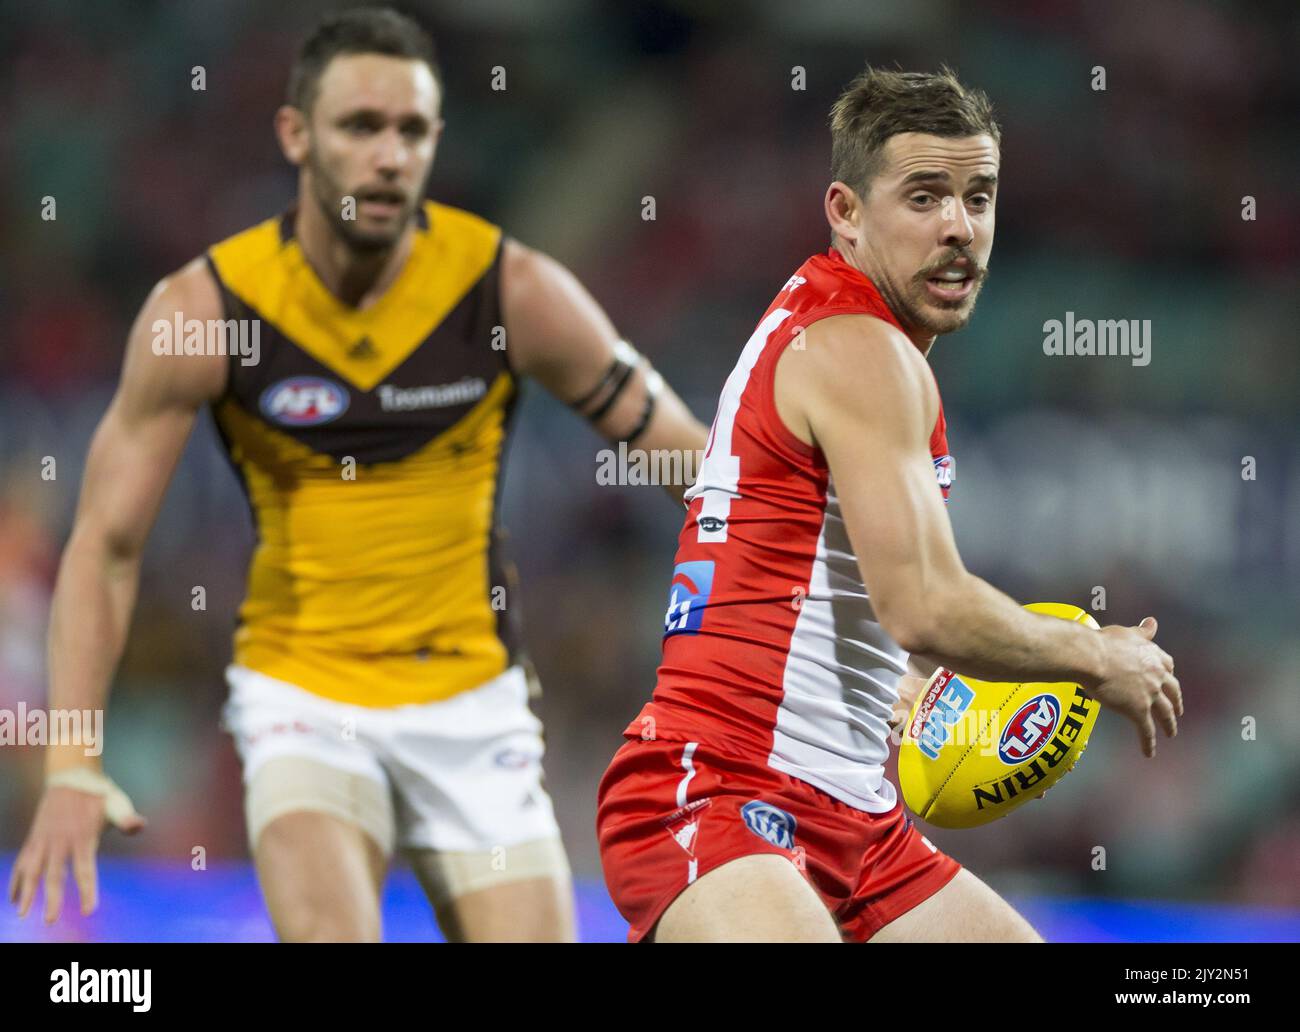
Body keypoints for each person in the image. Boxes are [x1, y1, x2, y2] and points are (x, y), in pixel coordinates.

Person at [8, 7, 707, 943]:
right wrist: (68, 762)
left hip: (473, 706)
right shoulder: (209, 309)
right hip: (304, 700)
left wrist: (850, 613)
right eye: (360, 126)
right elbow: (105, 545)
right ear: (296, 134)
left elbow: (702, 468)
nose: (389, 156)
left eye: (411, 130)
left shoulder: (511, 290)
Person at [596, 66, 1183, 943]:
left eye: (978, 197)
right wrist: (1095, 657)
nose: (958, 228)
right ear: (845, 210)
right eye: (924, 196)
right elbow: (924, 606)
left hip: (859, 824)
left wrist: (889, 685)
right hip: (720, 789)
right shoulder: (861, 351)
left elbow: (790, 548)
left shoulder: (832, 325)